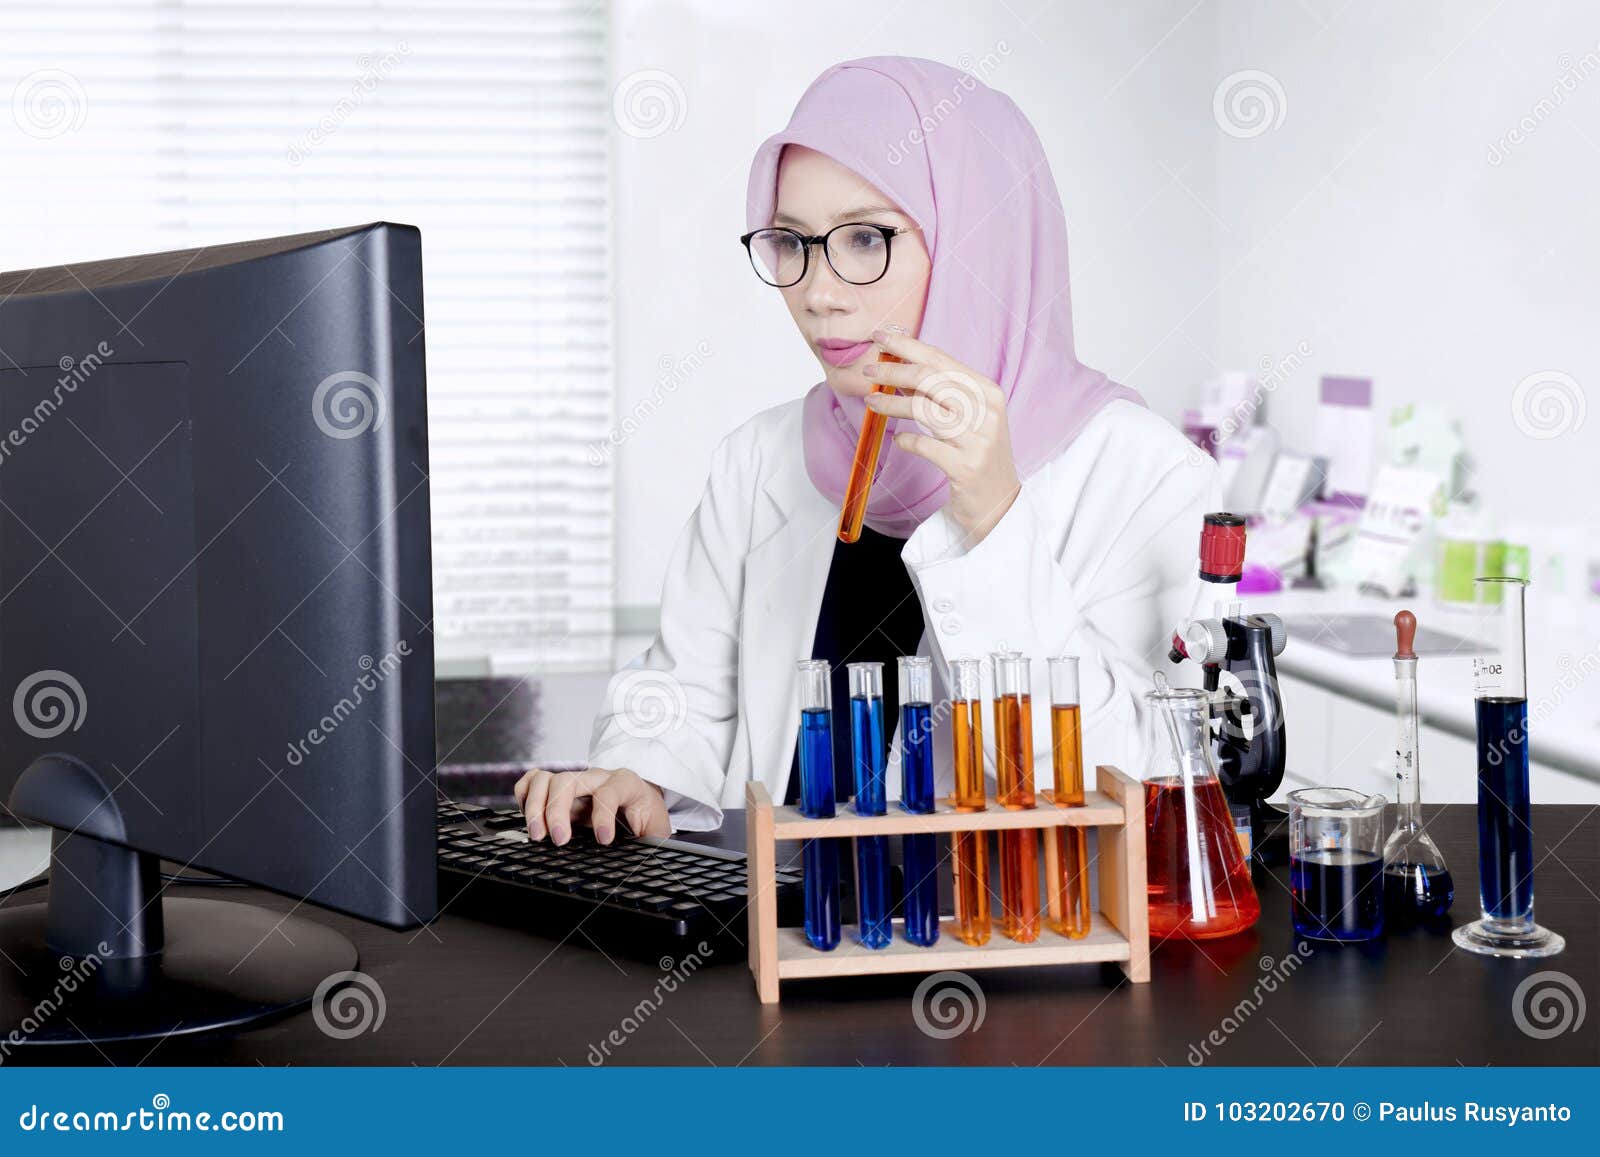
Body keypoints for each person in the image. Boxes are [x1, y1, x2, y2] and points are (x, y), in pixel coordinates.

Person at [516, 56, 1214, 845]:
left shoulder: (1142, 471)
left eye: (864, 238)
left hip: (1008, 949)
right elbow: (685, 692)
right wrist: (637, 773)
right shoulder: (762, 459)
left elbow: (1151, 780)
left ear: (976, 245)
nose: (818, 291)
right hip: (783, 936)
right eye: (793, 243)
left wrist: (993, 517)